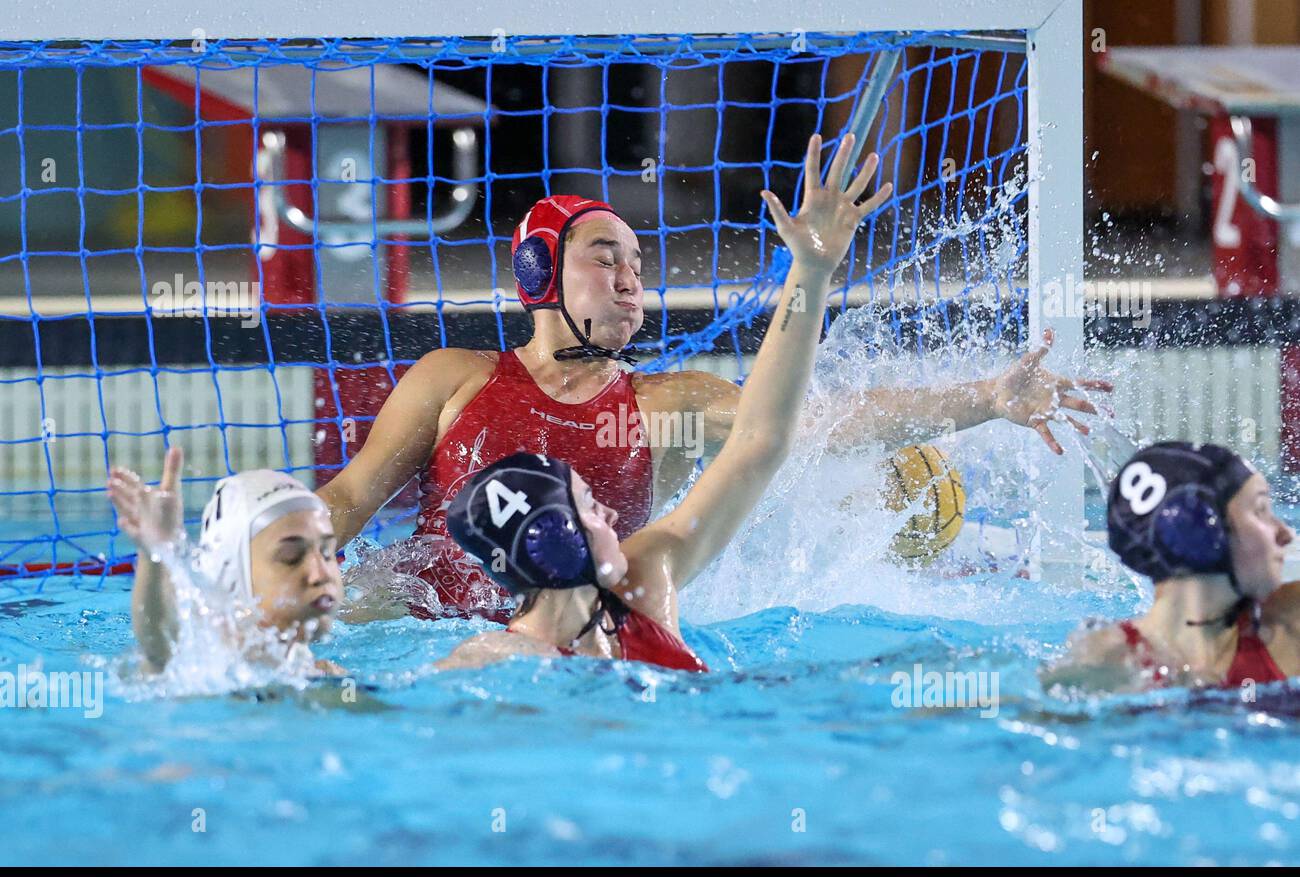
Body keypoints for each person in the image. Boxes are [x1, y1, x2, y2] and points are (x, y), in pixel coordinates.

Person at [318, 138, 1110, 622]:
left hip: (588, 635)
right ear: (538, 272)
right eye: (604, 258)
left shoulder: (666, 406)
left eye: (637, 264)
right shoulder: (453, 381)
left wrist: (983, 399)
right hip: (419, 626)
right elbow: (350, 501)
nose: (631, 280)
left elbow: (806, 424)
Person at [433, 132, 891, 670]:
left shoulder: (646, 577)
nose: (608, 510)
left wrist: (810, 273)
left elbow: (761, 437)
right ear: (552, 541)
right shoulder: (488, 662)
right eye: (587, 506)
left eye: (636, 266)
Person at [1042, 441, 1300, 693]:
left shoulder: (1292, 624)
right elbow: (1002, 704)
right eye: (1260, 510)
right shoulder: (1106, 664)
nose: (1285, 533)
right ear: (1197, 532)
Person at [107, 447, 344, 675]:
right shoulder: (209, 660)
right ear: (233, 574)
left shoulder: (317, 672)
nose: (321, 573)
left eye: (326, 552)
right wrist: (157, 554)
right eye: (291, 558)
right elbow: (160, 648)